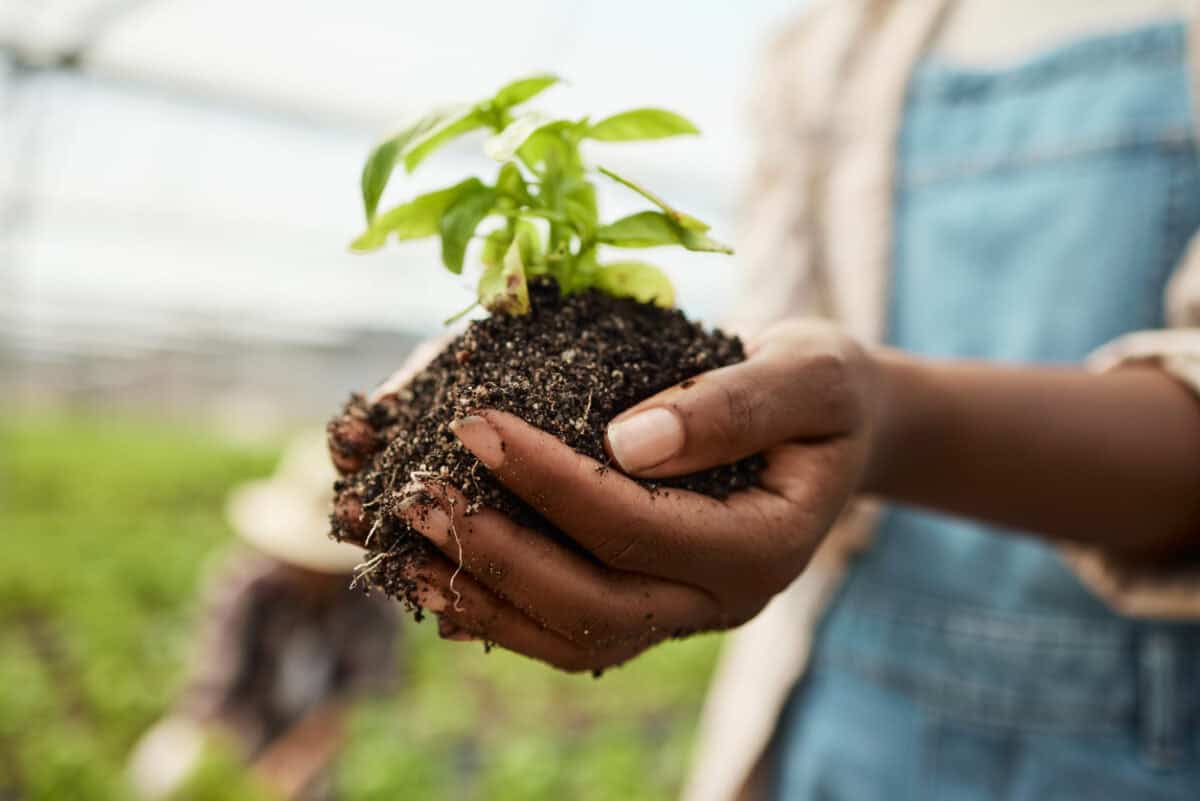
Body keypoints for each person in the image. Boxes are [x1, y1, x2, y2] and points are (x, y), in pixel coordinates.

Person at [341, 1, 1200, 799]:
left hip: (1143, 740)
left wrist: (885, 419)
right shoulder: (836, 40)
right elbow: (773, 328)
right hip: (827, 697)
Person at [129, 435, 400, 801]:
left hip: (323, 744)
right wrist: (240, 765)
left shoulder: (372, 604)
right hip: (247, 728)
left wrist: (294, 763)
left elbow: (362, 701)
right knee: (167, 769)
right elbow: (216, 690)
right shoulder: (246, 588)